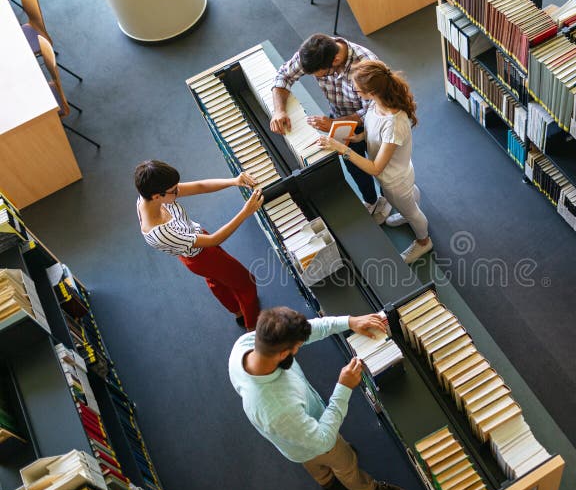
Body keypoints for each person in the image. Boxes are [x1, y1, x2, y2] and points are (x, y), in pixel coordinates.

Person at [228, 307, 409, 490]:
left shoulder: (246, 345)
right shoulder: (277, 407)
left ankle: (325, 480)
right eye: (298, 345)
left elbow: (308, 330)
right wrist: (344, 387)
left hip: (294, 441)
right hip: (318, 443)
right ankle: (368, 488)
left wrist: (350, 321)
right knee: (345, 464)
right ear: (282, 354)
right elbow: (323, 441)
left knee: (312, 465)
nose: (300, 347)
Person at [317, 60, 433, 264]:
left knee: (412, 212)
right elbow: (372, 130)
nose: (355, 91)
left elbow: (375, 168)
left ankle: (424, 242)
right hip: (400, 172)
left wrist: (342, 149)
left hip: (394, 180)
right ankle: (408, 210)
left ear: (371, 91)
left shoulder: (394, 124)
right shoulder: (376, 104)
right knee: (407, 197)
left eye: (358, 90)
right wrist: (359, 139)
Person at [270, 33, 393, 224]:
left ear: (335, 60)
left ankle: (389, 199)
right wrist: (279, 111)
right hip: (340, 117)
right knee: (353, 164)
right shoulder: (314, 53)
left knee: (382, 165)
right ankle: (371, 200)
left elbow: (374, 110)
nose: (317, 79)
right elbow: (284, 75)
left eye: (321, 75)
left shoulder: (366, 64)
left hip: (376, 124)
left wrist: (335, 125)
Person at [135, 160, 264, 330]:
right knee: (246, 283)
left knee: (216, 281)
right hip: (201, 255)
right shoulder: (161, 232)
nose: (178, 191)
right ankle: (252, 326)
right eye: (174, 190)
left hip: (193, 245)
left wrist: (234, 181)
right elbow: (214, 240)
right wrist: (245, 212)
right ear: (157, 196)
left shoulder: (150, 197)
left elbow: (200, 186)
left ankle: (238, 311)